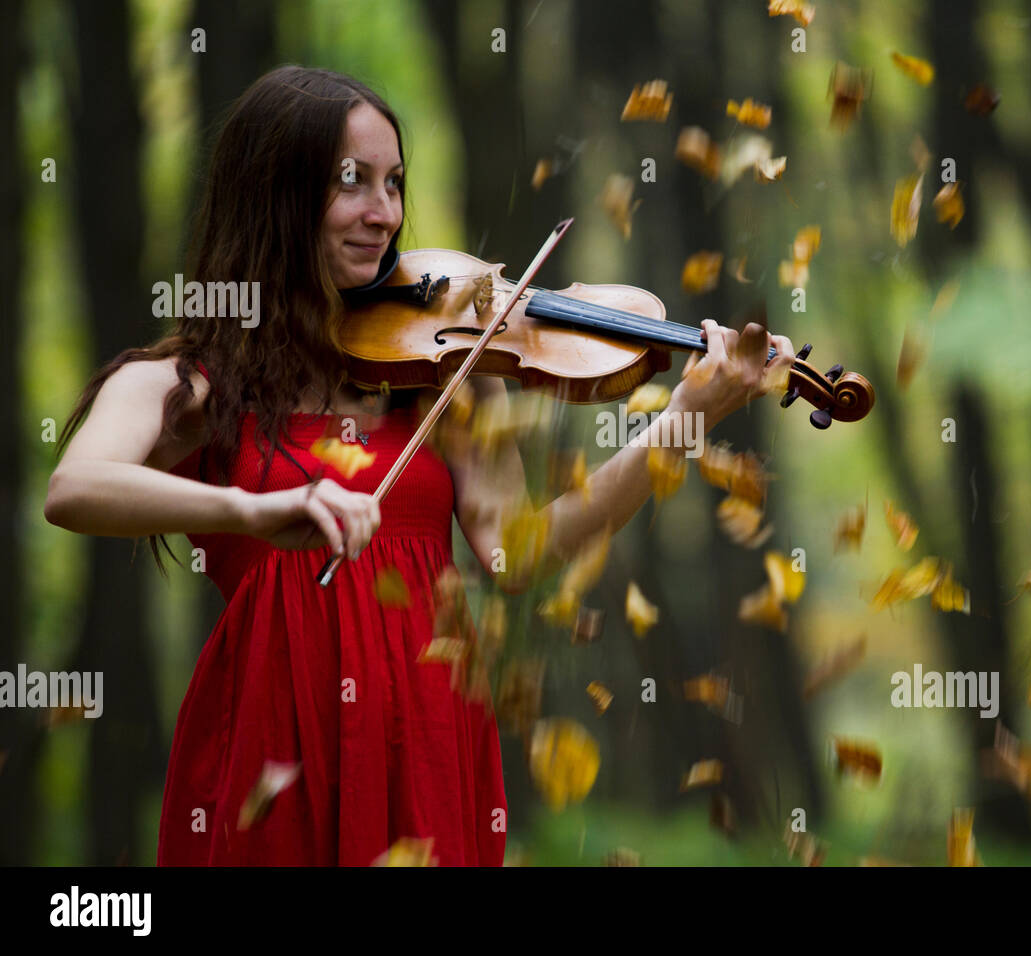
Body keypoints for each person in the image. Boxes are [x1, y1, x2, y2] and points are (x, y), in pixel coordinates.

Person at [43, 65, 795, 866]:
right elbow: (74, 489)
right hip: (275, 737)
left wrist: (683, 421)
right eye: (351, 183)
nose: (384, 213)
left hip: (425, 730)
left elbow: (519, 555)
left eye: (394, 183)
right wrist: (256, 512)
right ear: (273, 192)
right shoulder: (190, 384)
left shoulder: (441, 380)